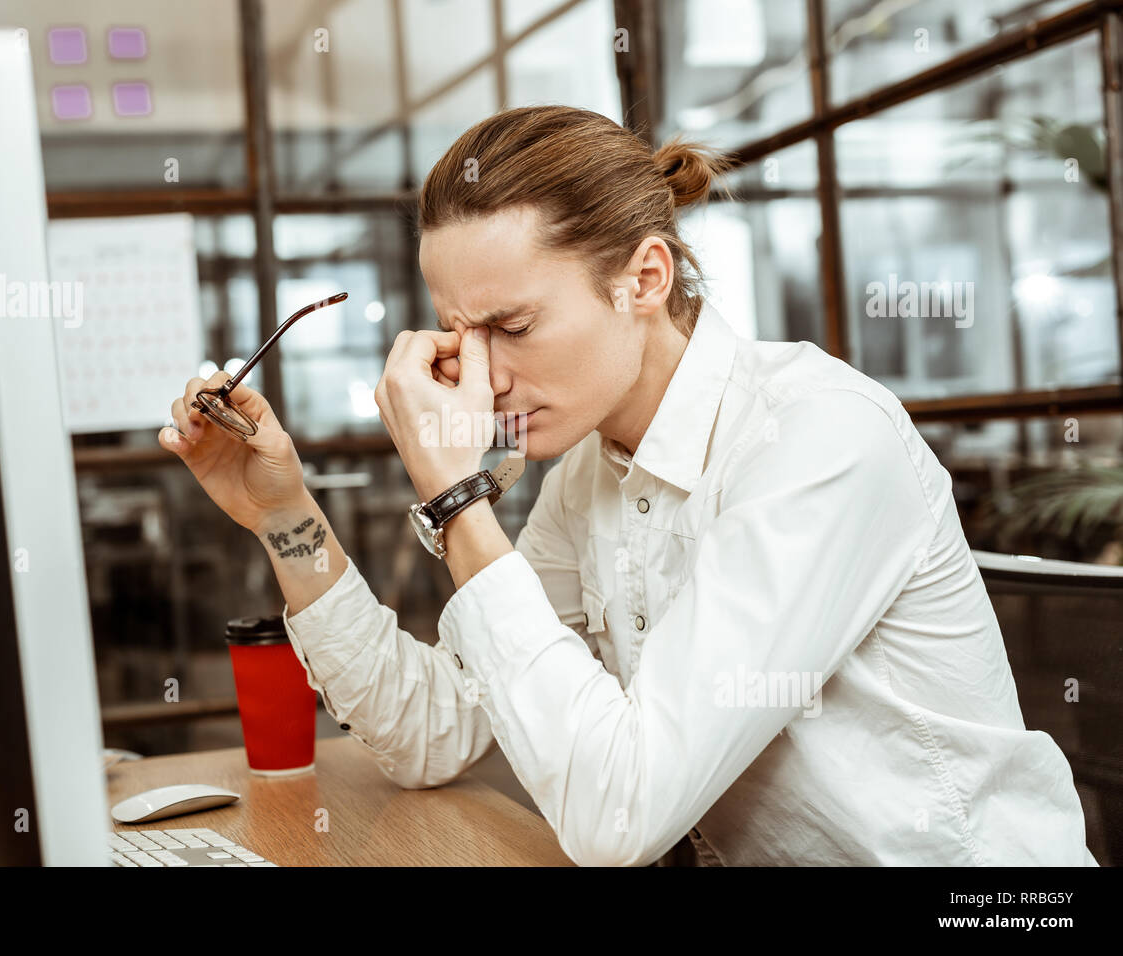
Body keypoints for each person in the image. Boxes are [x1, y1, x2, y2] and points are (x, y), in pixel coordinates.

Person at [161, 105, 1096, 867]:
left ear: (643, 278)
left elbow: (622, 815)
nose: (481, 380)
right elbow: (431, 733)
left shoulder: (819, 439)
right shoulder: (590, 478)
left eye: (513, 326)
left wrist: (458, 500)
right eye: (459, 333)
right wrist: (286, 513)